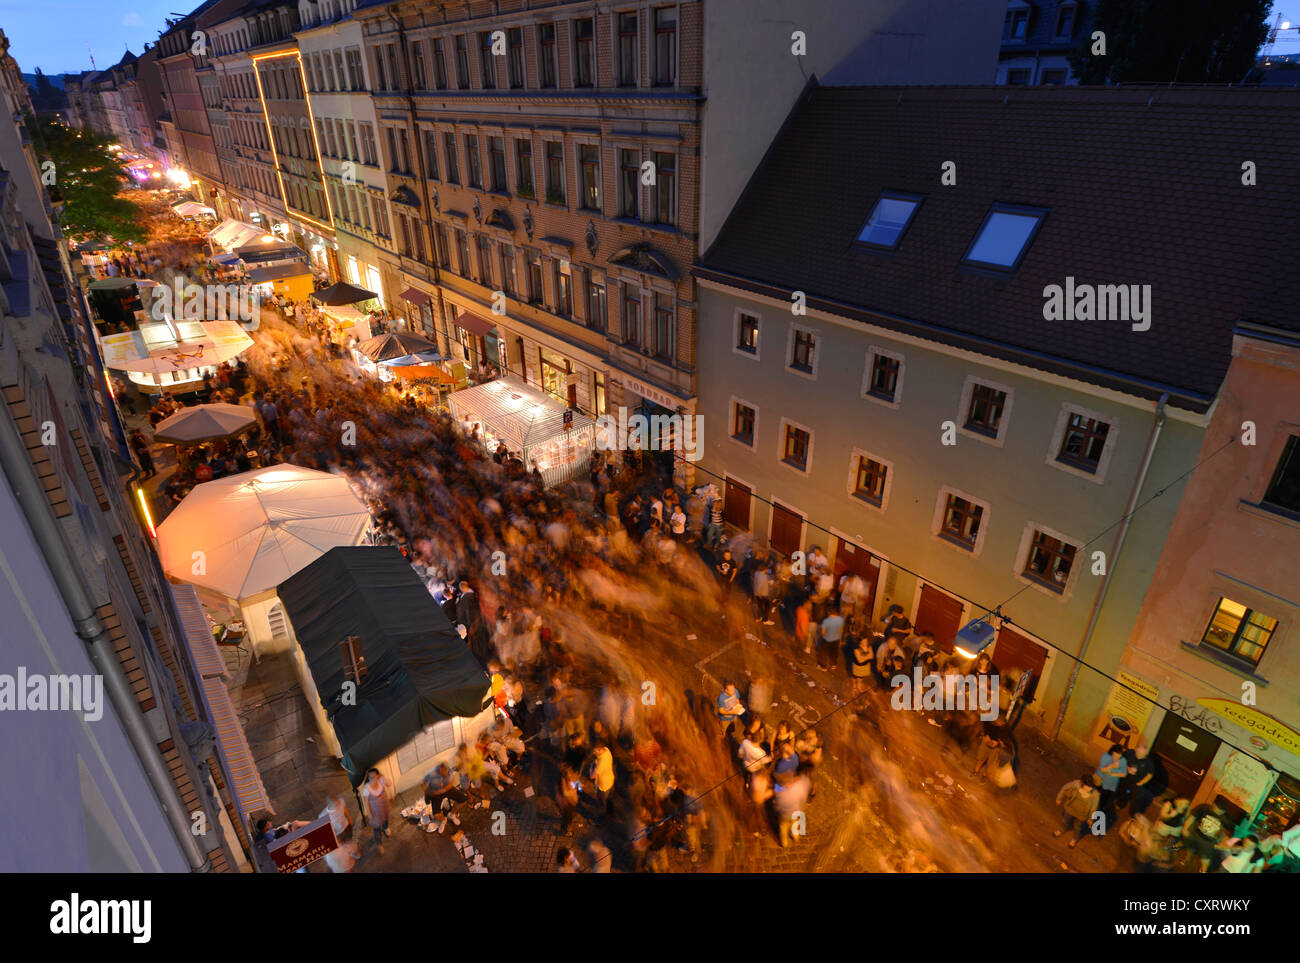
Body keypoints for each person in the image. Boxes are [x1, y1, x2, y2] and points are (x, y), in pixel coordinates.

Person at [1054, 771, 1102, 848]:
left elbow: (1093, 808)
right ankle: (1061, 830)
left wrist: (1090, 819)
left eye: (1091, 788)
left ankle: (1074, 839)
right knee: (1065, 820)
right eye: (1087, 787)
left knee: (1077, 827)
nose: (1089, 790)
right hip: (1070, 808)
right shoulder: (1076, 784)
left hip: (1082, 815)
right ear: (1082, 783)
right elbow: (1065, 788)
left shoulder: (1095, 795)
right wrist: (1059, 798)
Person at [1184, 798, 1229, 872]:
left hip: (1209, 841)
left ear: (1224, 811)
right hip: (1196, 834)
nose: (1218, 812)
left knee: (1205, 862)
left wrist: (1221, 842)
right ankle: (1187, 859)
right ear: (1213, 804)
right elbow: (1192, 817)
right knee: (1190, 848)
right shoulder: (1203, 808)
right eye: (1217, 809)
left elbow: (1226, 834)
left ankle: (1203, 871)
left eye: (1221, 811)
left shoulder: (1226, 819)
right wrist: (1185, 828)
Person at [361, 767, 393, 855]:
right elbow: (366, 803)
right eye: (370, 777)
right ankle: (379, 844)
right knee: (377, 828)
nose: (372, 778)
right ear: (368, 778)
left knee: (385, 818)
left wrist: (382, 776)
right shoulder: (366, 788)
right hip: (375, 811)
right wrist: (369, 814)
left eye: (374, 776)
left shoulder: (381, 780)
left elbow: (389, 783)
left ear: (377, 775)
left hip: (384, 806)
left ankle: (386, 828)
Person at [1095, 744, 1128, 821]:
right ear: (1112, 752)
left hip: (1113, 785)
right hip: (1102, 782)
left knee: (1107, 804)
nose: (1116, 758)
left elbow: (1124, 774)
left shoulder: (1123, 760)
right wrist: (1111, 766)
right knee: (1099, 801)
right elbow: (1102, 769)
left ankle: (1099, 819)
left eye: (1118, 757)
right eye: (1115, 756)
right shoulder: (1105, 756)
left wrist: (1113, 774)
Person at [817, 606, 845, 671]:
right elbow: (841, 631)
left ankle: (823, 666)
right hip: (836, 639)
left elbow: (823, 632)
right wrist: (840, 640)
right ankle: (833, 664)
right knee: (834, 652)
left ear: (830, 613)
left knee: (824, 652)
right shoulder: (840, 620)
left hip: (827, 639)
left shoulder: (826, 621)